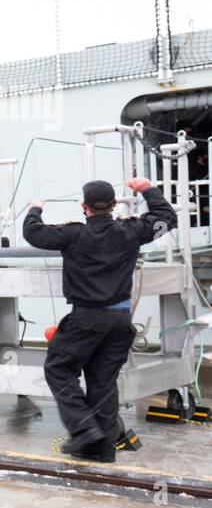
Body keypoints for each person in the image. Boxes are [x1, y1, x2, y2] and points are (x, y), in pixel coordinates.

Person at [23, 178, 177, 462]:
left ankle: (82, 429)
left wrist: (35, 208)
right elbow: (167, 219)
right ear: (115, 204)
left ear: (84, 207)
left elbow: (33, 234)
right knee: (103, 383)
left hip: (86, 320)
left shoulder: (73, 235)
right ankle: (101, 451)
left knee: (59, 370)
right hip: (120, 321)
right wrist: (147, 189)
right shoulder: (132, 230)